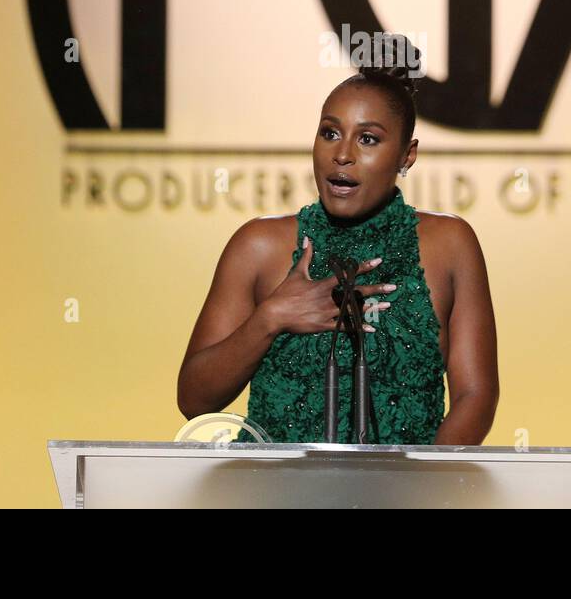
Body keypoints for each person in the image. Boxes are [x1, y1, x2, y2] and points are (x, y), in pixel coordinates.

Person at [177, 36, 499, 445]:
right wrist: (270, 317)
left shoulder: (450, 245)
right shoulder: (258, 246)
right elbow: (194, 399)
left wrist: (420, 490)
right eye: (330, 133)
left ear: (407, 155)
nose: (342, 154)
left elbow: (477, 397)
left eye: (368, 139)